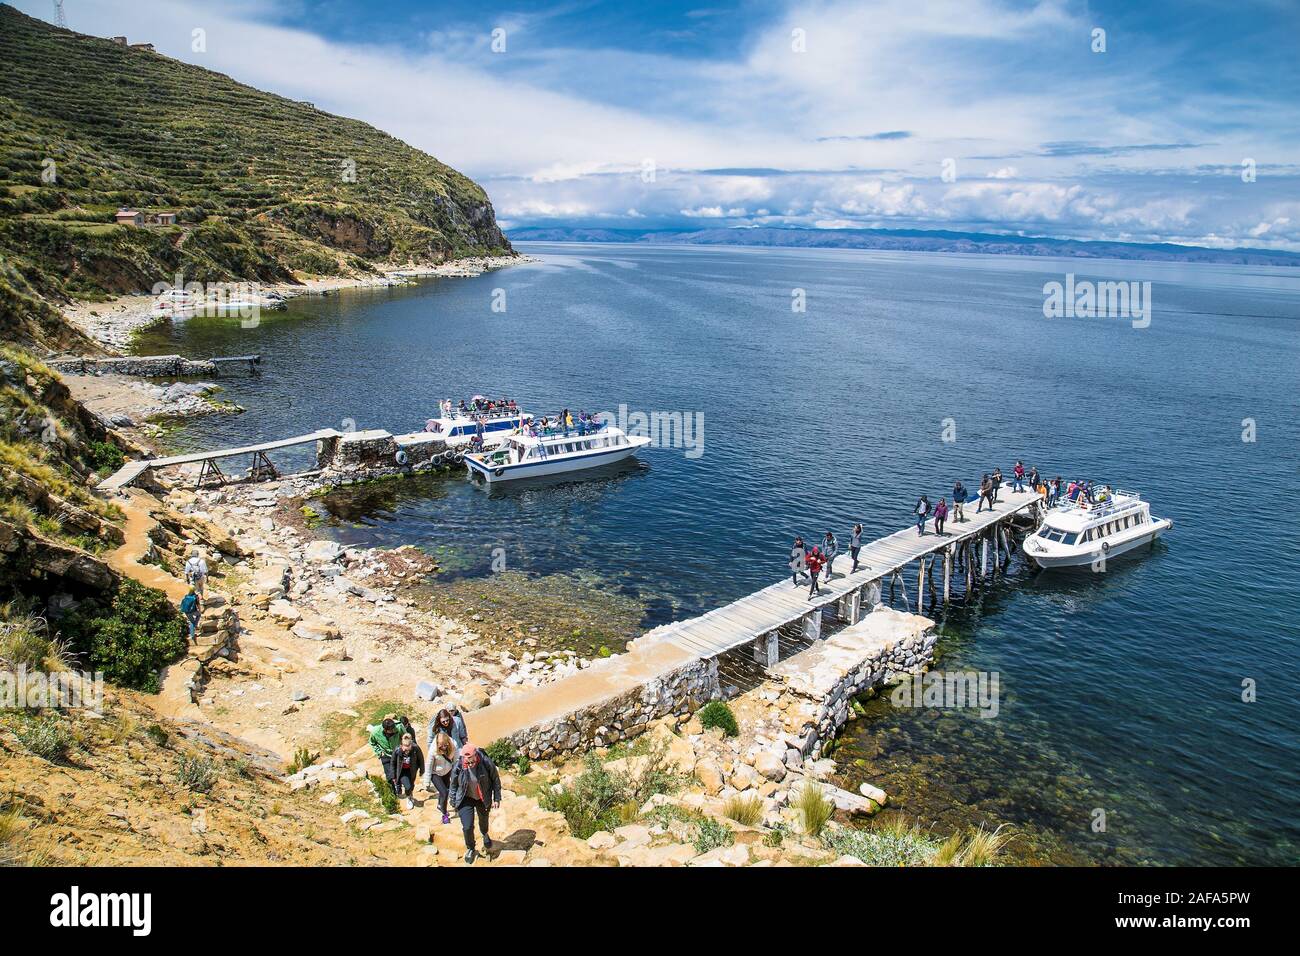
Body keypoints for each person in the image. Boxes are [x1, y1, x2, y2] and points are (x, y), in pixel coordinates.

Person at [449, 745, 502, 864]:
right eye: (467, 760)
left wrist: (496, 798)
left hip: (482, 797)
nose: (470, 762)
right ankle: (470, 848)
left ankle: (484, 833)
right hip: (465, 798)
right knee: (467, 826)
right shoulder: (458, 766)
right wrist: (453, 800)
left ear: (476, 755)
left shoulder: (485, 762)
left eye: (472, 759)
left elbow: (495, 780)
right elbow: (453, 784)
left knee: (483, 819)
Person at [367, 714, 414, 792]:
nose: (393, 730)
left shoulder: (398, 727)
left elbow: (406, 738)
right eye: (391, 730)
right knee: (390, 778)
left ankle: (405, 788)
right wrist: (379, 752)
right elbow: (372, 742)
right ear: (385, 729)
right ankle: (395, 791)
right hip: (386, 755)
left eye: (393, 728)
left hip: (399, 753)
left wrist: (406, 749)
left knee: (403, 775)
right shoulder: (375, 732)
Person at [426, 731, 458, 824]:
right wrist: (426, 782)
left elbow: (456, 761)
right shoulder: (433, 750)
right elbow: (428, 765)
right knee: (444, 792)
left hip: (447, 771)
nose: (443, 747)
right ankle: (444, 814)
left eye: (445, 745)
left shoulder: (453, 745)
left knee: (444, 791)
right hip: (435, 773)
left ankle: (440, 805)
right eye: (441, 746)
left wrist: (456, 775)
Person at [391, 733, 424, 810]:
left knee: (411, 785)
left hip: (412, 769)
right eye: (405, 749)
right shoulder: (397, 750)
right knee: (407, 786)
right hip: (401, 771)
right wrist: (393, 775)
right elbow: (392, 763)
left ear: (411, 745)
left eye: (408, 748)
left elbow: (421, 760)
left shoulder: (416, 748)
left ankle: (410, 794)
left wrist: (422, 771)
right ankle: (408, 797)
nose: (406, 751)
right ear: (401, 745)